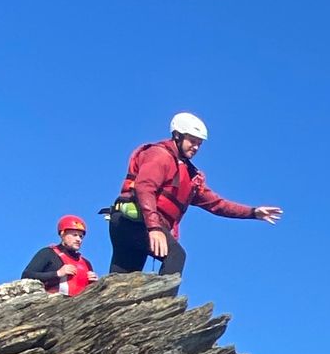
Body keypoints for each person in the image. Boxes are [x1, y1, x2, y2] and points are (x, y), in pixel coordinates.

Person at [106, 112, 281, 276]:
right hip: (133, 222)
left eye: (199, 143)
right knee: (175, 255)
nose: (196, 147)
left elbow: (217, 204)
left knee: (122, 278)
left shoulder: (190, 176)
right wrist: (154, 228)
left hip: (135, 224)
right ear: (177, 136)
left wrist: (253, 212)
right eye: (192, 141)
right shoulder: (160, 156)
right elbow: (145, 188)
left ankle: (110, 305)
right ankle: (166, 305)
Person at [21, 214, 97, 297]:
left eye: (81, 236)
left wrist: (94, 284)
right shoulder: (48, 253)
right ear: (62, 234)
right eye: (74, 235)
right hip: (51, 306)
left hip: (81, 307)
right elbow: (26, 275)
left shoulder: (86, 263)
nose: (79, 239)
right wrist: (57, 273)